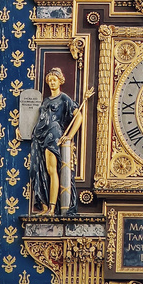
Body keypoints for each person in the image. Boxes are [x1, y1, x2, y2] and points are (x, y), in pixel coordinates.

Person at [30, 68, 94, 216]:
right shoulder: (46, 101)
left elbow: (78, 117)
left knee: (52, 170)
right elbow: (39, 120)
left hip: (54, 135)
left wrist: (69, 136)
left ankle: (52, 208)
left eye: (55, 80)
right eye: (50, 80)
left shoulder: (64, 98)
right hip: (41, 137)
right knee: (42, 171)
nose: (52, 82)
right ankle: (46, 206)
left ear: (60, 81)